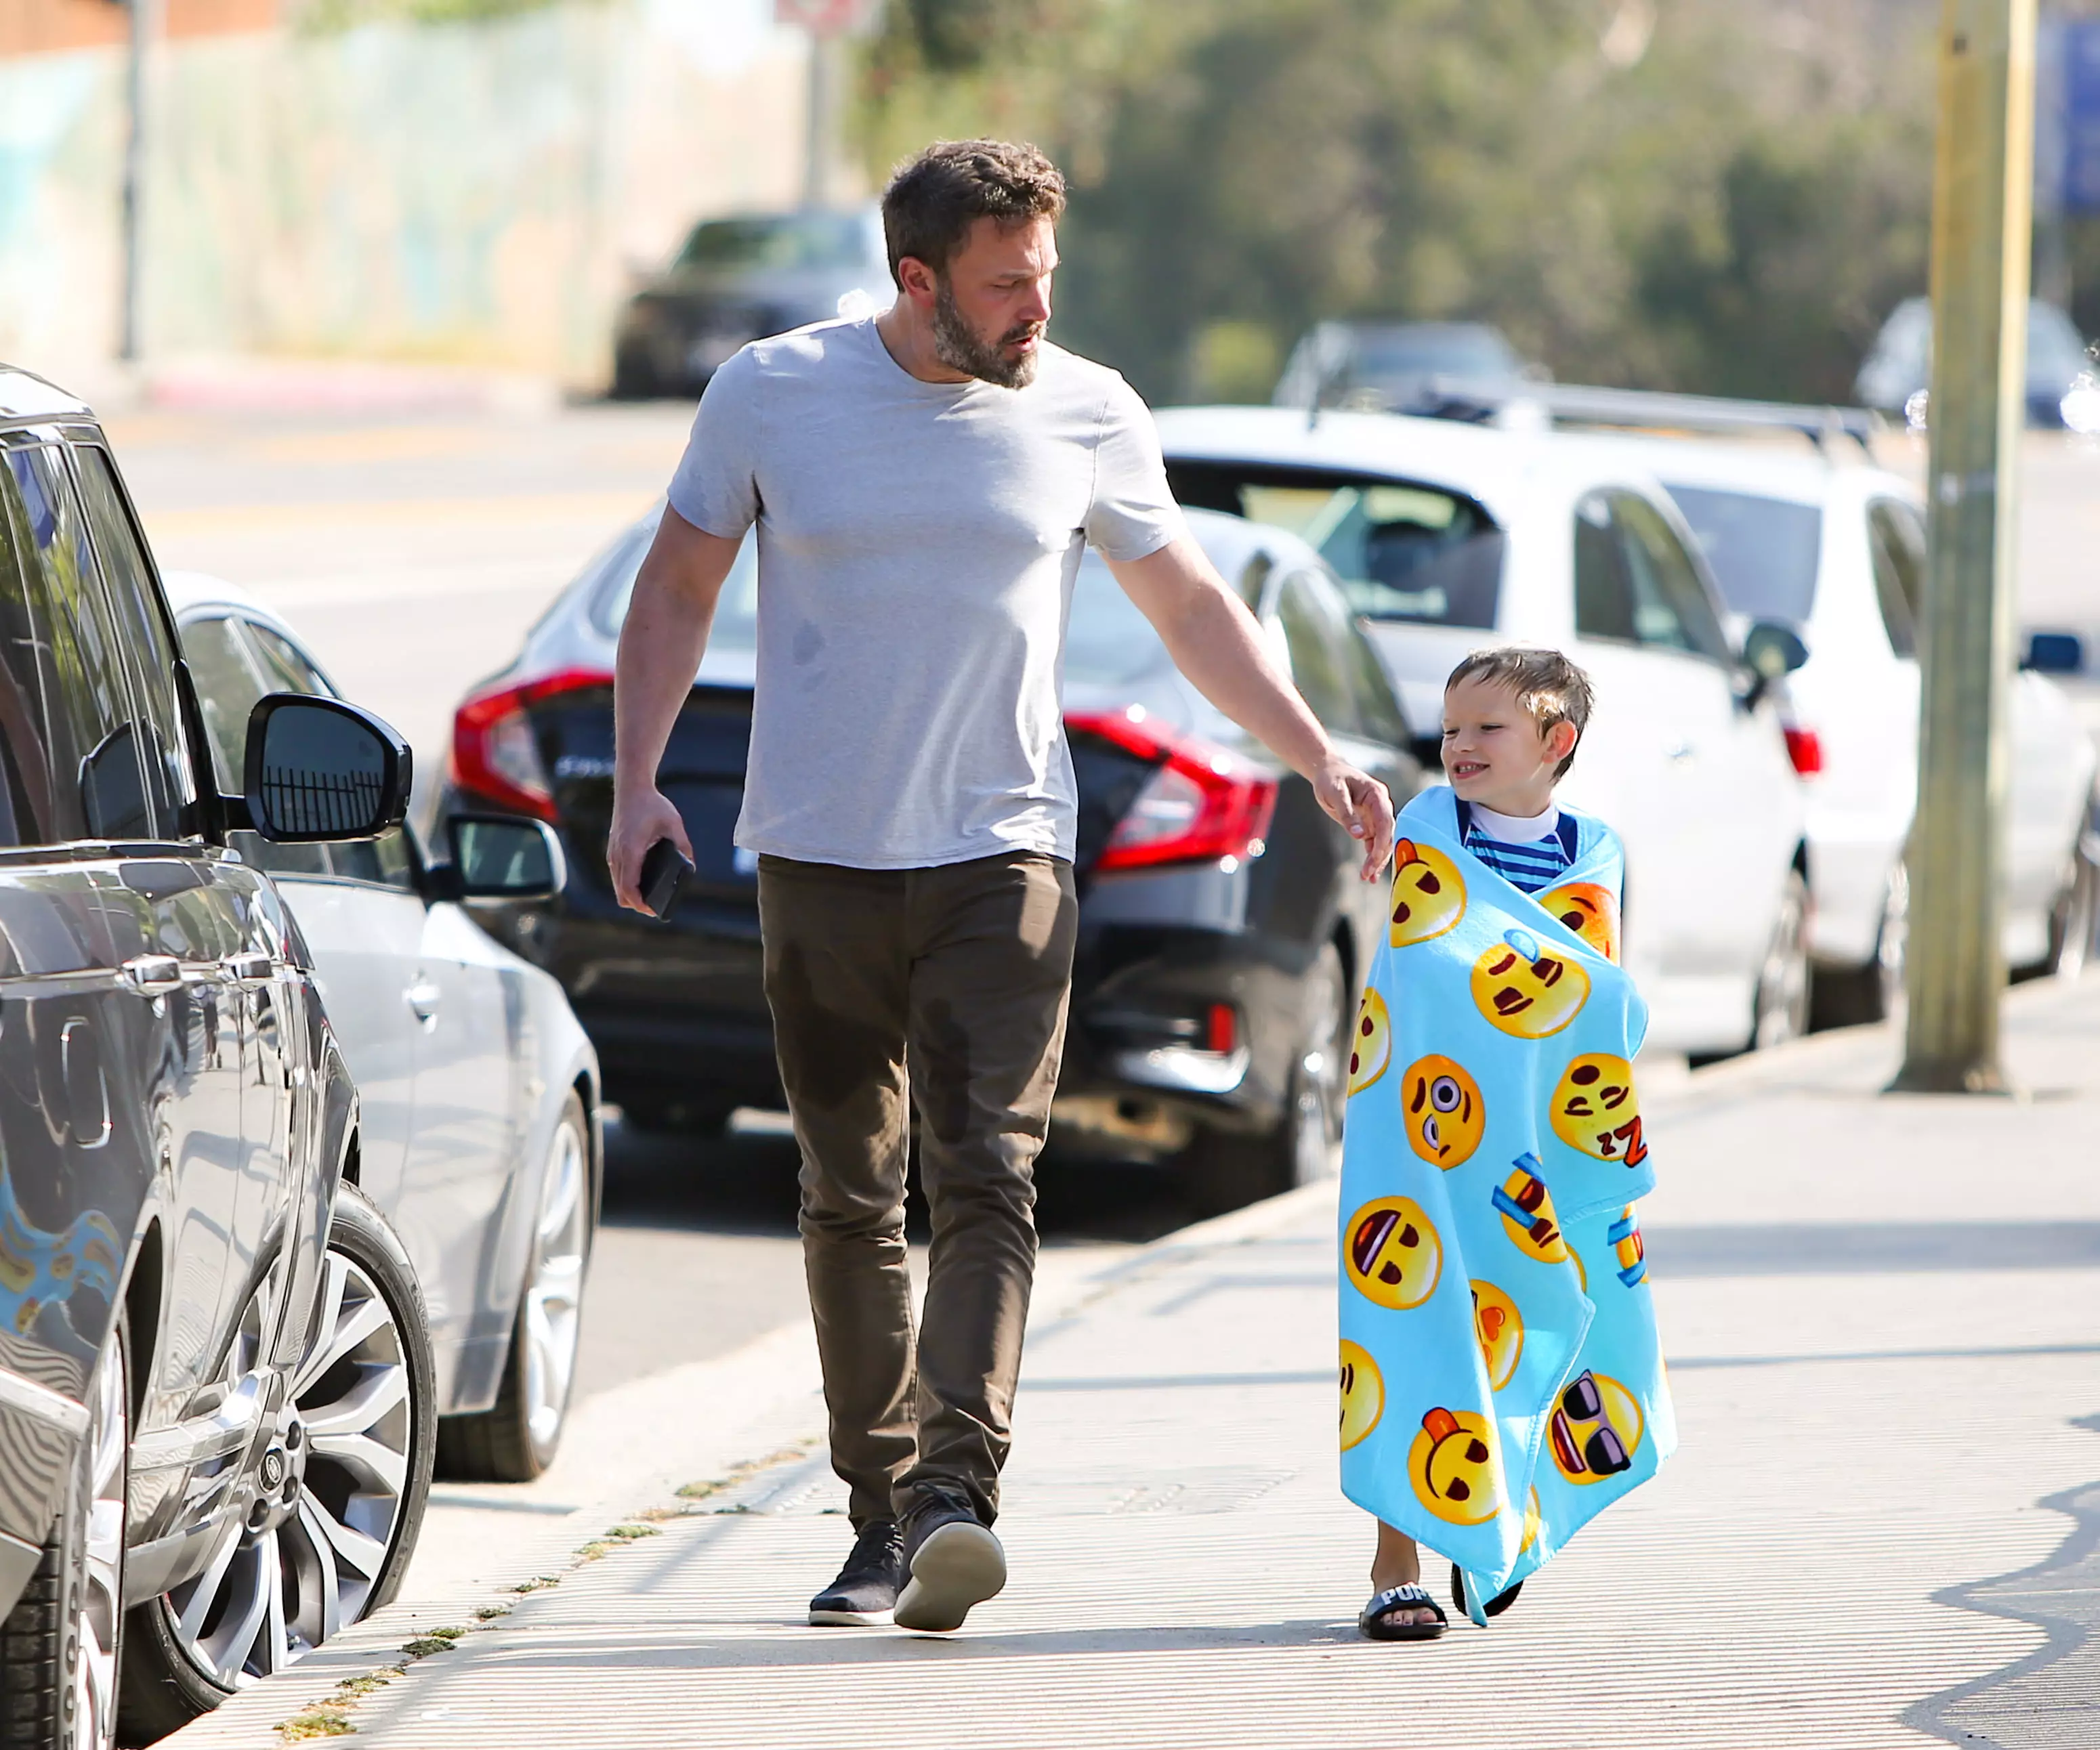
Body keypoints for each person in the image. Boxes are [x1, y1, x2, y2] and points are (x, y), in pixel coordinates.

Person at [606, 138, 1395, 1634]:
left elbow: (1187, 601)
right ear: (917, 281)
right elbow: (677, 585)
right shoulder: (774, 391)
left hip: (1003, 852)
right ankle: (872, 1516)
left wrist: (1307, 753)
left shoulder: (1088, 409)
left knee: (987, 1176)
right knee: (849, 1193)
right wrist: (642, 776)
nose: (1035, 306)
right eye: (1003, 283)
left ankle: (951, 1498)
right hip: (821, 855)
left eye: (1044, 276)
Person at [1347, 646, 1666, 1640]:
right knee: (1415, 1330)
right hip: (1423, 1139)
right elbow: (1429, 968)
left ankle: (1503, 1526)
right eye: (1450, 728)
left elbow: (1595, 989)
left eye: (1487, 729)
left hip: (1546, 1138)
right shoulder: (1426, 834)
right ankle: (1395, 1564)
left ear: (1555, 742)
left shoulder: (1598, 851)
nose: (1459, 747)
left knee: (1541, 1316)